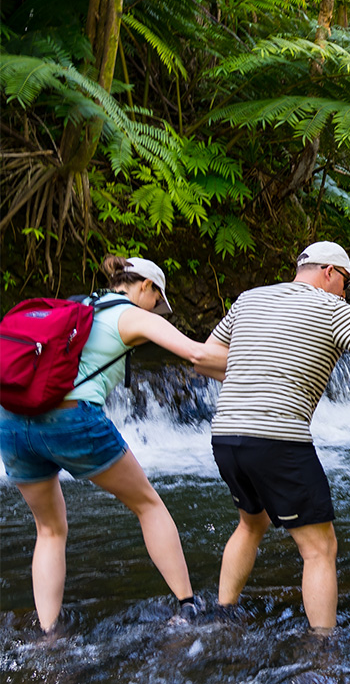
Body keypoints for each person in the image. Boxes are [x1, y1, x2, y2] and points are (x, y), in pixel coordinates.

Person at [0, 255, 228, 633]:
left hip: (11, 423)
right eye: (158, 300)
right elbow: (197, 354)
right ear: (146, 287)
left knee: (50, 529)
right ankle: (188, 605)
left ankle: (47, 634)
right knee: (148, 505)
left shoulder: (76, 306)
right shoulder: (133, 315)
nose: (158, 309)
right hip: (71, 420)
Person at [203, 241, 350, 635]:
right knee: (319, 548)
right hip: (279, 437)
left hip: (226, 434)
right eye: (347, 282)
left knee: (250, 524)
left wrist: (254, 371)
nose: (347, 291)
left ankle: (222, 616)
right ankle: (322, 649)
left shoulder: (249, 299)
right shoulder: (334, 309)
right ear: (329, 272)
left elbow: (204, 356)